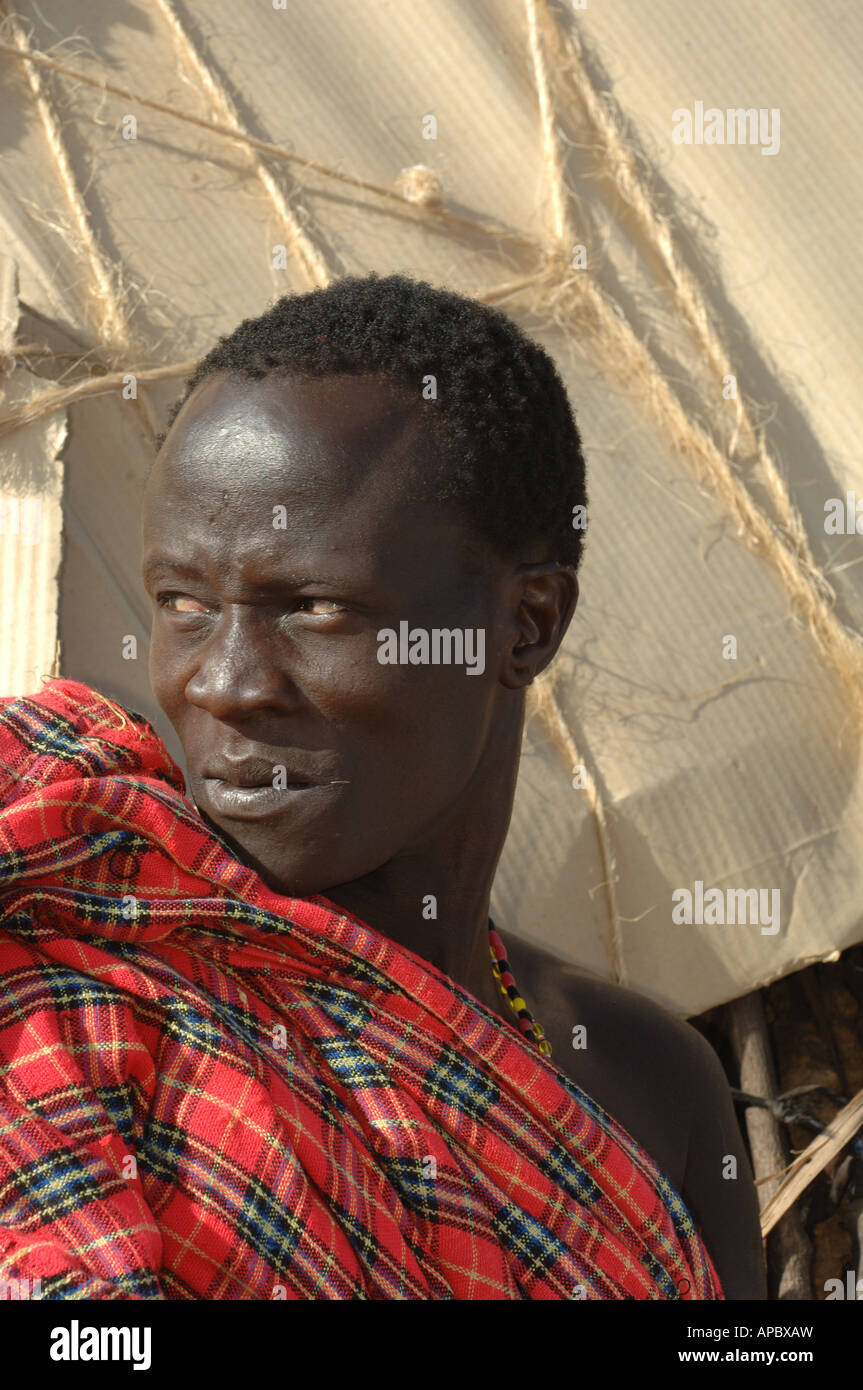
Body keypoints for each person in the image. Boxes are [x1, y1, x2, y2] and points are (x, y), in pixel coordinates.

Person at [0, 273, 765, 1299]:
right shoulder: (69, 982)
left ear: (525, 622)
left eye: (313, 608)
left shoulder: (644, 1077)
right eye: (182, 602)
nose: (222, 684)